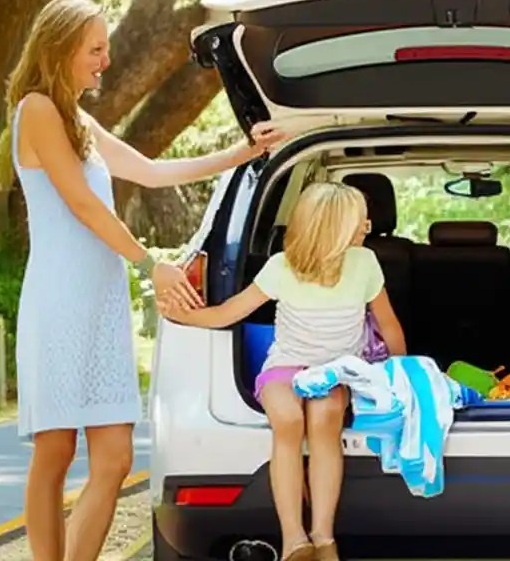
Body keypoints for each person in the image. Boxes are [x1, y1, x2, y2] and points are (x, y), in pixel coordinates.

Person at [0, 0, 286, 561]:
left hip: (101, 306)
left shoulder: (77, 118)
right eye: (95, 49)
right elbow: (81, 205)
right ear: (60, 50)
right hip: (58, 301)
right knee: (54, 453)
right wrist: (152, 263)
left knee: (115, 460)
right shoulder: (36, 109)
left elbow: (150, 171)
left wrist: (240, 153)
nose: (105, 60)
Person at [161, 182, 406, 561]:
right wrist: (185, 317)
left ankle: (323, 535)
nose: (367, 228)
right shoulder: (281, 268)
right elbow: (230, 313)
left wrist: (400, 373)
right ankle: (294, 538)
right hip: (285, 367)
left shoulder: (364, 264)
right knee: (288, 420)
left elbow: (388, 324)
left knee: (325, 417)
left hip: (336, 371)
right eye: (361, 222)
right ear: (334, 229)